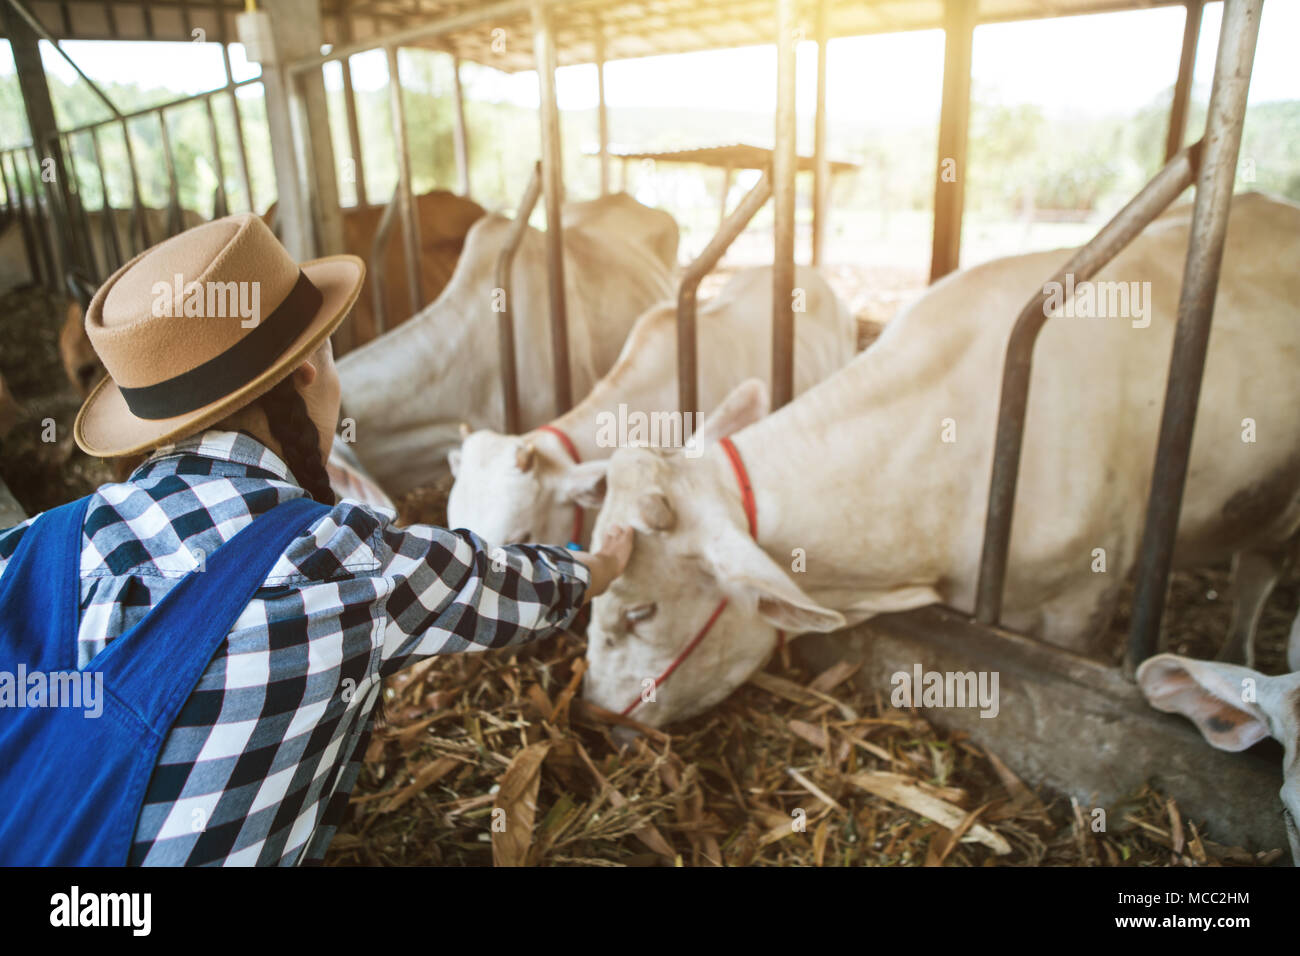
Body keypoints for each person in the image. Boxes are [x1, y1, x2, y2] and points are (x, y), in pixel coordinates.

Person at [0, 213, 632, 866]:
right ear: (308, 372)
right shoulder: (342, 567)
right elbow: (507, 584)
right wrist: (605, 563)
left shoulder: (27, 545)